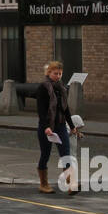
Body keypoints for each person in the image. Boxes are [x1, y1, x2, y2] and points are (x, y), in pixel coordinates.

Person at [36, 59, 73, 195]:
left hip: (61, 125)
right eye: (55, 73)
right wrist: (46, 127)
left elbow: (65, 108)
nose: (58, 76)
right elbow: (41, 109)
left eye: (60, 74)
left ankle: (71, 184)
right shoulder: (43, 88)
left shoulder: (61, 88)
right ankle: (43, 184)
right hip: (46, 127)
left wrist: (72, 126)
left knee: (66, 154)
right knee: (45, 154)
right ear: (49, 73)